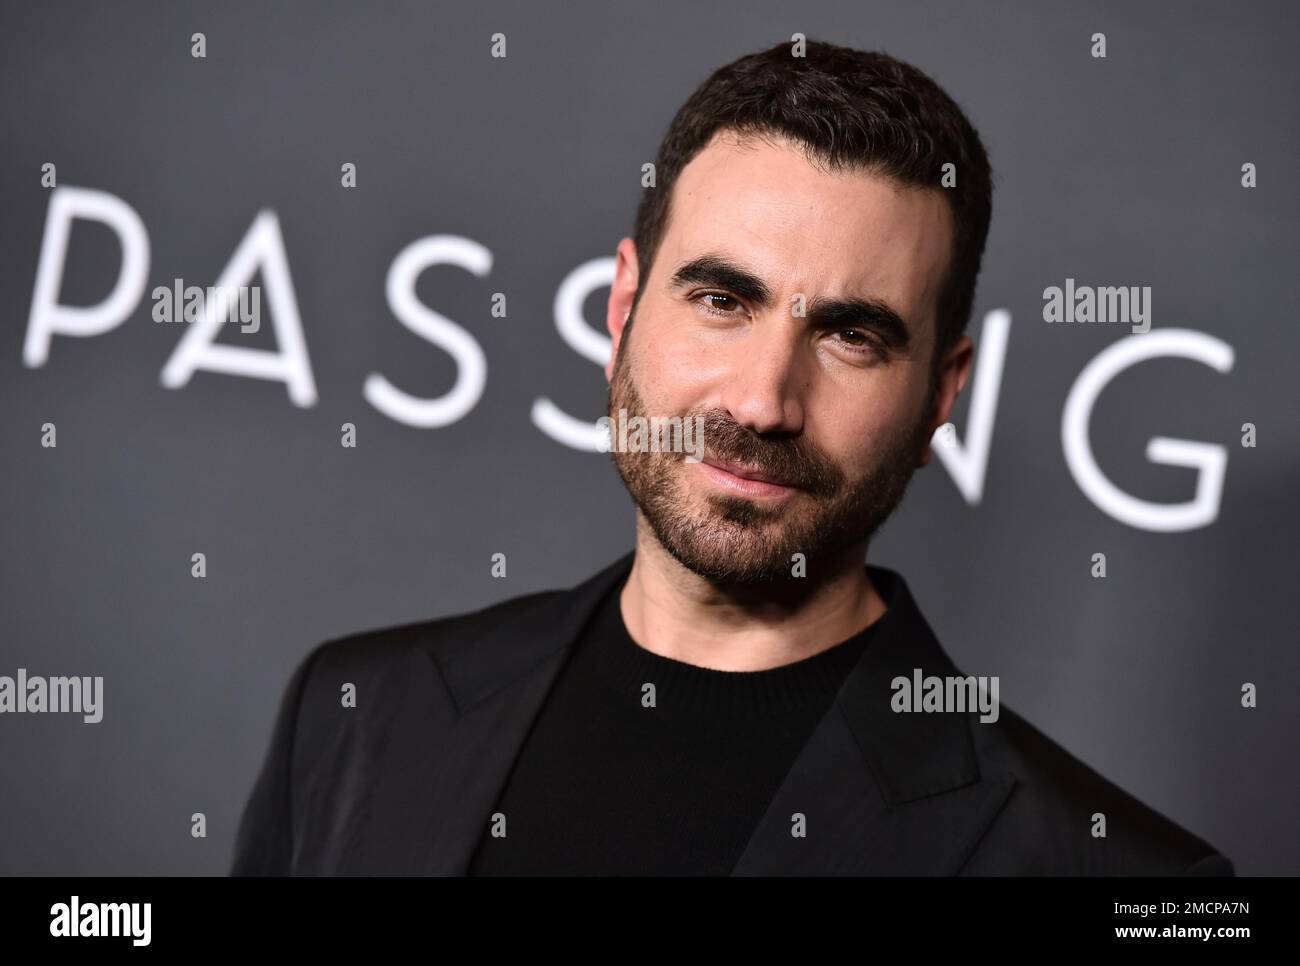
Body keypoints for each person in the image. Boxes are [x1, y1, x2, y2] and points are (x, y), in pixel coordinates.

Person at [231, 39, 1232, 876]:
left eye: (850, 336)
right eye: (722, 302)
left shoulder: (1116, 876)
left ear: (939, 393)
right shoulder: (357, 712)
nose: (761, 402)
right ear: (623, 308)